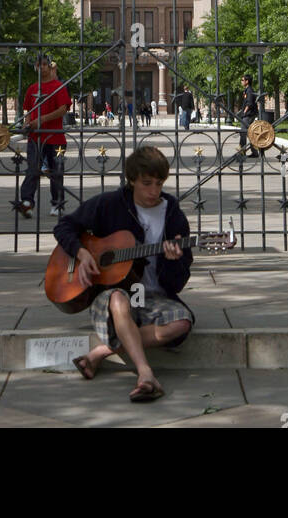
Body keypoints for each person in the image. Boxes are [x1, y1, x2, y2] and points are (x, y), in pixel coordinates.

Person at [56, 146, 193, 403]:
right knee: (119, 300)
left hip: (153, 296)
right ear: (131, 181)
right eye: (146, 183)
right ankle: (145, 373)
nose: (154, 191)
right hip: (111, 296)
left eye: (159, 183)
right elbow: (64, 226)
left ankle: (100, 351)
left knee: (182, 323)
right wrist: (83, 254)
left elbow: (177, 282)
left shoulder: (174, 216)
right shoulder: (109, 204)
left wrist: (174, 261)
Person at [12, 59, 71, 219]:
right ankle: (27, 202)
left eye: (44, 64)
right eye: (38, 65)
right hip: (35, 138)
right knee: (32, 169)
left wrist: (41, 120)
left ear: (49, 67)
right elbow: (28, 110)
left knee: (56, 172)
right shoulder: (32, 89)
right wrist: (27, 123)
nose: (41, 67)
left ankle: (57, 204)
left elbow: (63, 109)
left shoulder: (58, 87)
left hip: (56, 138)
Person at [238, 74, 259, 156]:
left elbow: (249, 103)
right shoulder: (247, 90)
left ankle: (242, 152)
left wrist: (244, 112)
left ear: (247, 81)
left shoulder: (249, 90)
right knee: (249, 133)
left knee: (243, 132)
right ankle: (254, 152)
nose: (241, 82)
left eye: (242, 80)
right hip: (248, 114)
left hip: (249, 115)